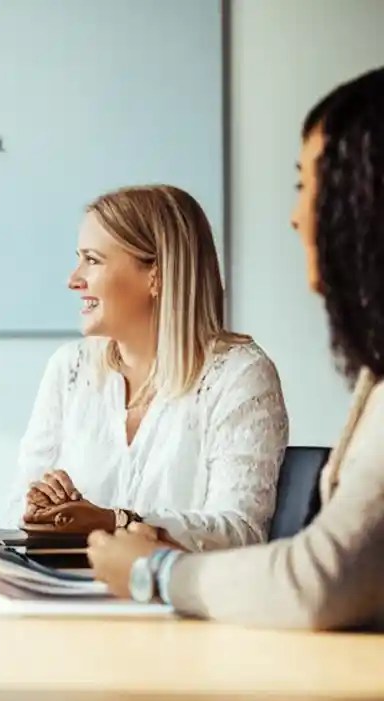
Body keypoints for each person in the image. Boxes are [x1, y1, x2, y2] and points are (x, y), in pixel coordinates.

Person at [88, 67, 384, 630]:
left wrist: (156, 570)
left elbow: (320, 580)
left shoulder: (241, 373)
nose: (297, 215)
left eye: (308, 185)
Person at [9, 184, 288, 551]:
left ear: (156, 274)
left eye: (92, 259)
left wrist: (116, 523)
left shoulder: (239, 375)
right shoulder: (69, 369)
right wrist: (40, 509)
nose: (74, 279)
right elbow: (15, 511)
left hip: (179, 602)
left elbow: (240, 533)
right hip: (67, 595)